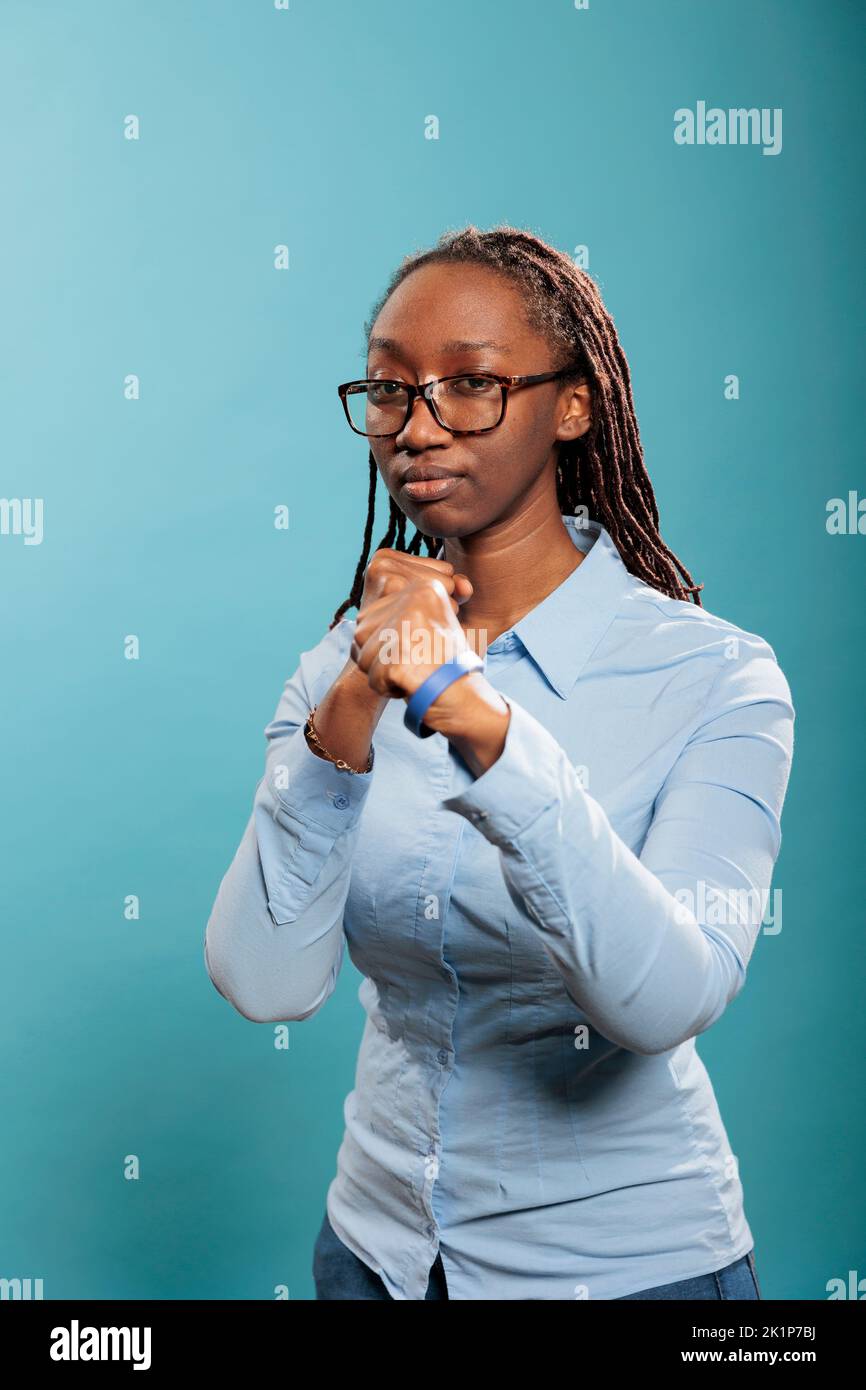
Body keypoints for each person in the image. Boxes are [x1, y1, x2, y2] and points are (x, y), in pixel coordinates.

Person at [204, 224, 794, 1301]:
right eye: (390, 390)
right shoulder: (335, 670)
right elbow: (264, 980)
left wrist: (478, 721)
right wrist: (355, 704)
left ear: (573, 406)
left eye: (471, 384)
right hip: (376, 1259)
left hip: (621, 1275)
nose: (418, 426)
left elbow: (667, 998)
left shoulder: (715, 677)